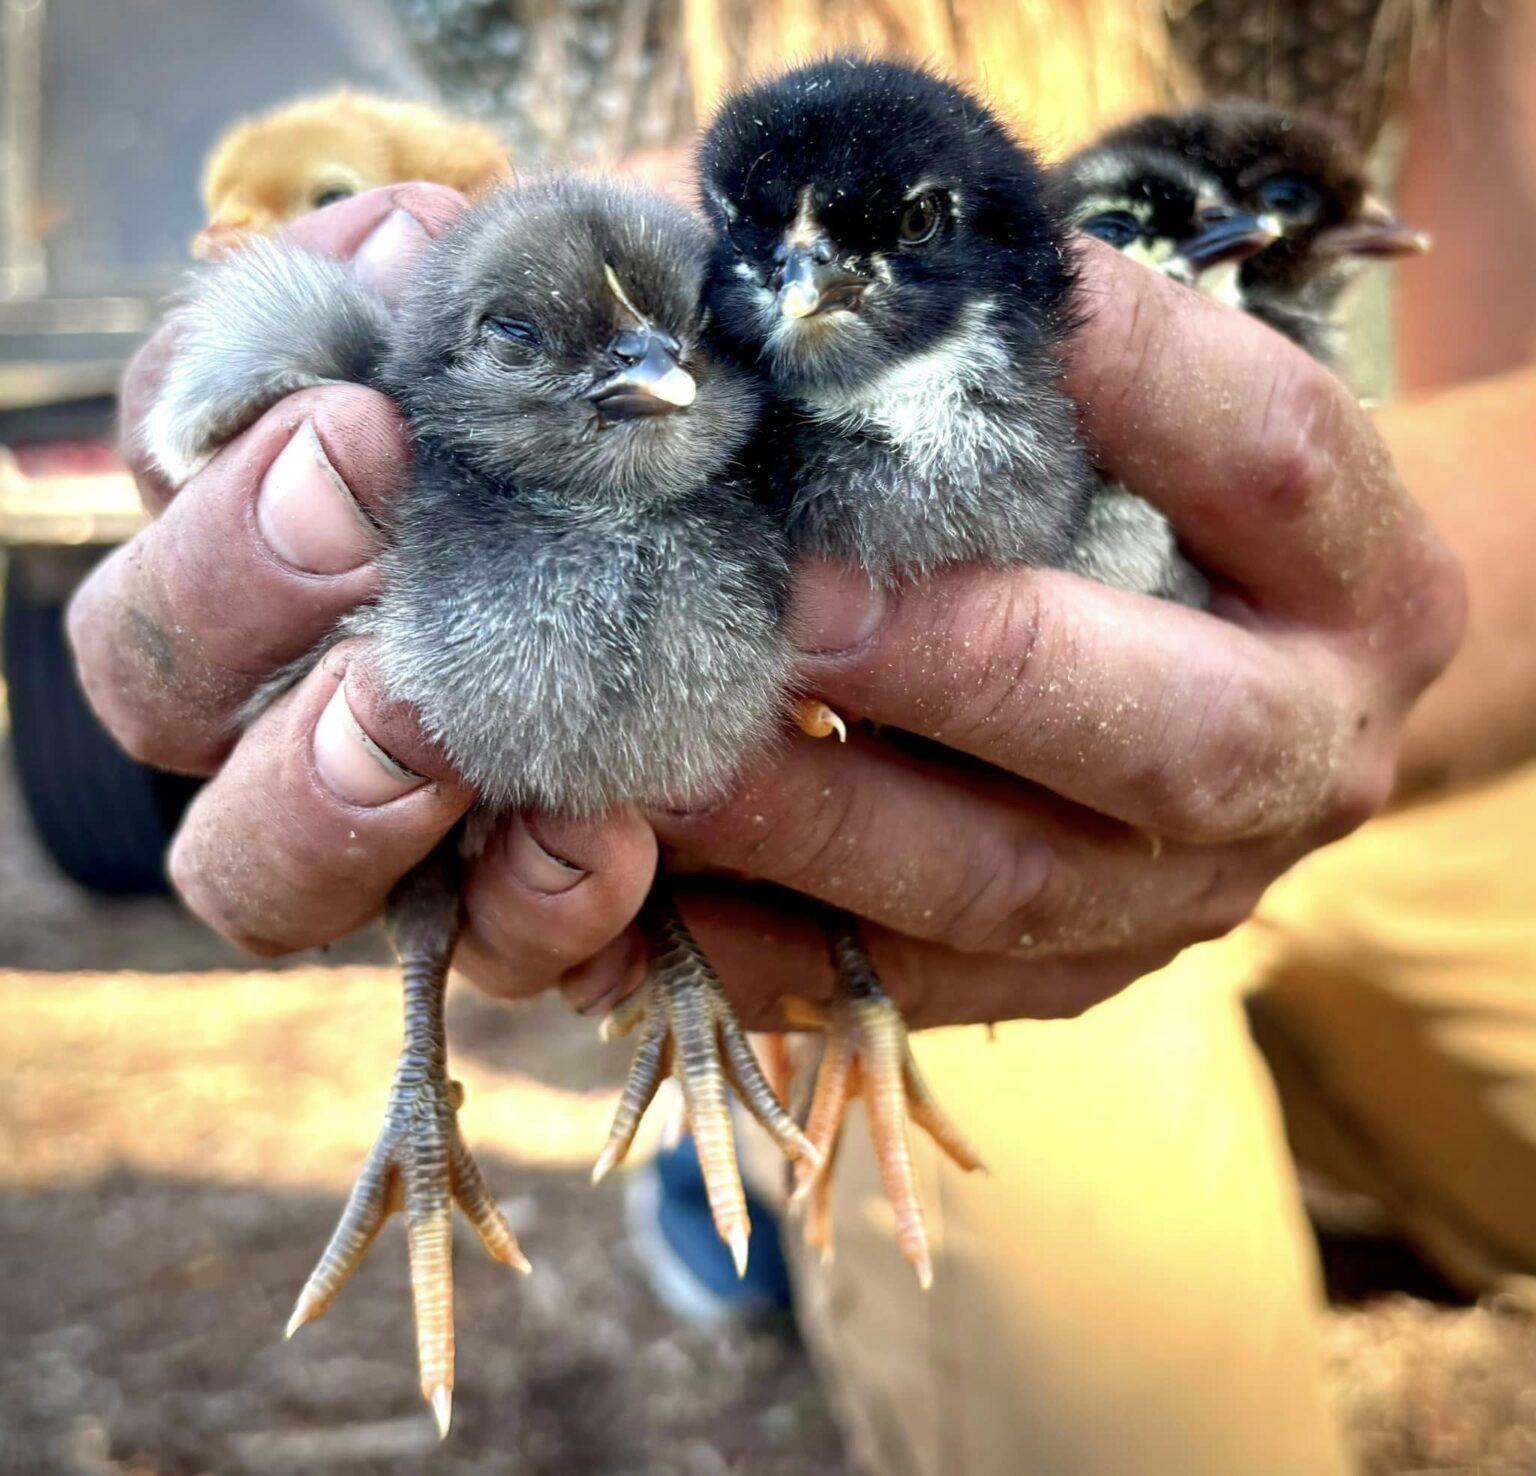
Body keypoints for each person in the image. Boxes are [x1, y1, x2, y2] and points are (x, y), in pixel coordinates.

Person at [67, 0, 1536, 1468]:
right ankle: (711, 1038)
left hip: (1395, 696)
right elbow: (505, 283)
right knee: (1120, 1416)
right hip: (909, 806)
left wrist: (1360, 600)